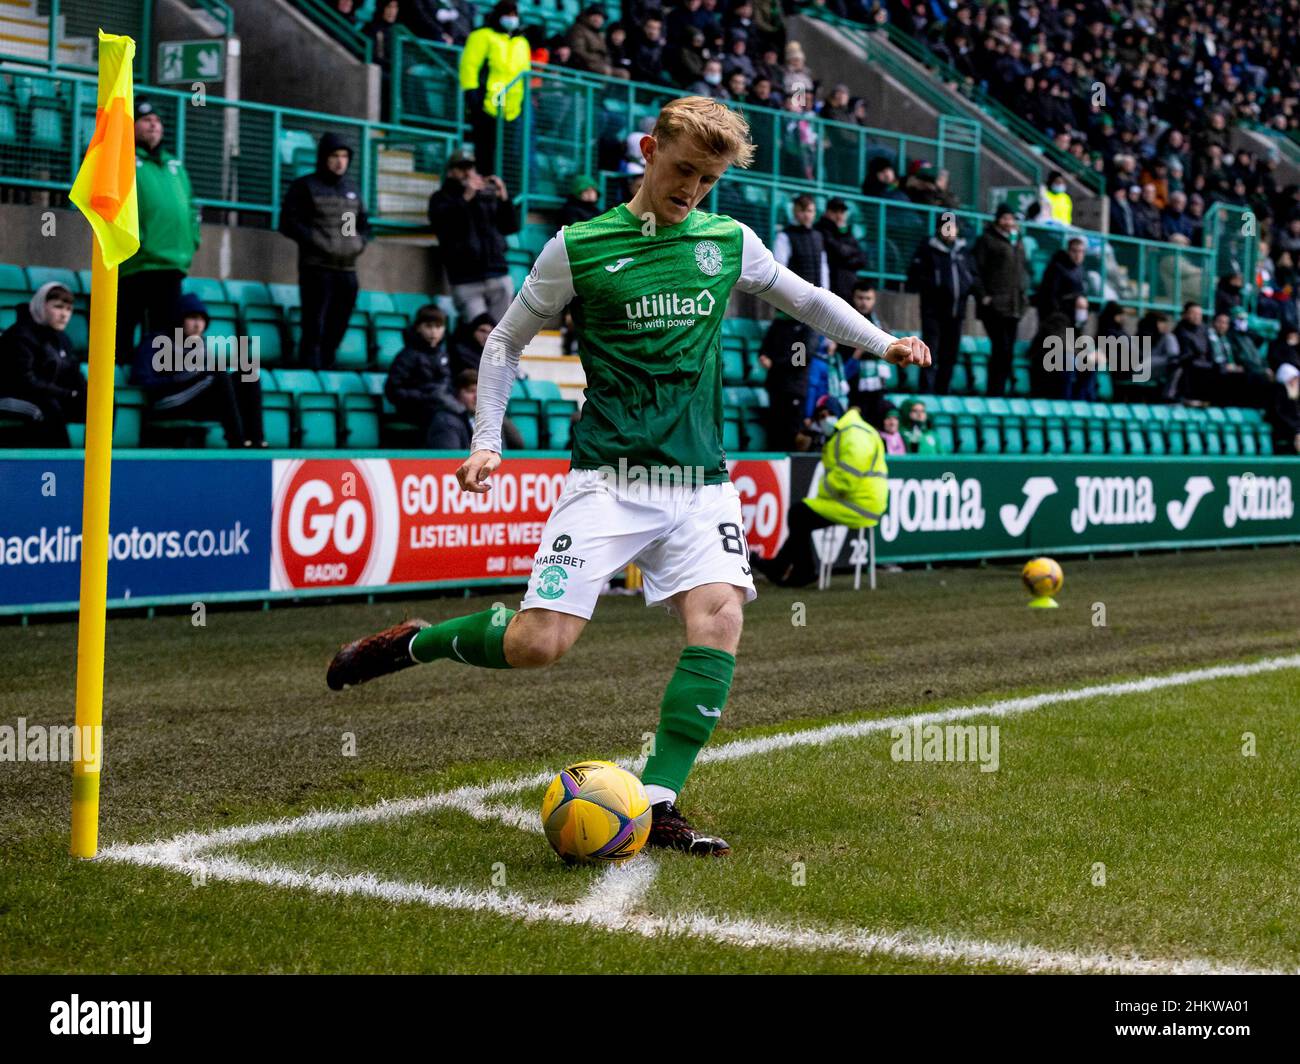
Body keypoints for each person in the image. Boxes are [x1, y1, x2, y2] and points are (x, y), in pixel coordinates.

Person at [326, 96, 930, 856]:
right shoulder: (578, 247)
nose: (691, 192)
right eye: (682, 171)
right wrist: (487, 439)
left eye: (707, 181)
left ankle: (661, 798)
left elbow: (805, 299)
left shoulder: (725, 241)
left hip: (701, 480)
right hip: (606, 480)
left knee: (721, 619)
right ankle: (413, 643)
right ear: (648, 150)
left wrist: (885, 344)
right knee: (539, 643)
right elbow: (505, 343)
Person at [752, 398, 888, 588]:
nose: (825, 419)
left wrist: (827, 490)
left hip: (858, 502)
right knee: (801, 517)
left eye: (829, 414)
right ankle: (784, 567)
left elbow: (848, 475)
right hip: (860, 500)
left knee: (799, 513)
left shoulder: (853, 432)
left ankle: (799, 570)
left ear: (839, 413)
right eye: (821, 417)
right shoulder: (850, 430)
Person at [117, 100, 200, 365]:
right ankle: (119, 392)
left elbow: (190, 207)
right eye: (145, 119)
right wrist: (136, 240)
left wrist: (192, 241)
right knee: (126, 329)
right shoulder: (122, 160)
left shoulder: (175, 165)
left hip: (171, 262)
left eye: (157, 120)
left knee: (164, 334)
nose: (153, 123)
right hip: (137, 264)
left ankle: (155, 386)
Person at [279, 132, 371, 370]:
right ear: (323, 157)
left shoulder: (352, 189)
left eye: (344, 156)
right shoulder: (305, 186)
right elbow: (288, 222)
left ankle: (328, 363)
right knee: (314, 321)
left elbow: (357, 224)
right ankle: (309, 367)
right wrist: (314, 240)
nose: (340, 161)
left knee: (340, 320)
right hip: (316, 267)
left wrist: (356, 244)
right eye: (334, 156)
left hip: (347, 267)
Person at [130, 293, 265, 448]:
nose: (197, 324)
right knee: (218, 374)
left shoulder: (202, 346)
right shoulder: (155, 343)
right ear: (179, 320)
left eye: (201, 320)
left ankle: (256, 440)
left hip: (197, 402)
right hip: (168, 403)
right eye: (192, 318)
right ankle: (237, 441)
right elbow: (140, 380)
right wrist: (177, 379)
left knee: (248, 374)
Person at [761, 192, 828, 450]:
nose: (805, 215)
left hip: (811, 311)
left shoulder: (818, 237)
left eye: (809, 210)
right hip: (793, 306)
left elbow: (823, 272)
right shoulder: (785, 236)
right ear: (794, 212)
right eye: (801, 210)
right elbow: (780, 270)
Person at [427, 154, 520, 324]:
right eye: (461, 168)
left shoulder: (486, 196)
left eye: (470, 168)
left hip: (497, 272)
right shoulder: (440, 198)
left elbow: (510, 227)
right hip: (465, 277)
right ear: (450, 172)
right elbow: (443, 226)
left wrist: (504, 197)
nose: (467, 173)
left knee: (502, 336)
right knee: (477, 333)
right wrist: (466, 197)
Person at [0, 283, 84, 446]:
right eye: (58, 307)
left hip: (45, 394)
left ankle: (97, 457)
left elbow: (73, 371)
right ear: (41, 305)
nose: (64, 315)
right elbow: (25, 381)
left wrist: (82, 393)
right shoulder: (20, 334)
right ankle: (58, 462)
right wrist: (67, 394)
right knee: (47, 409)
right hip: (10, 394)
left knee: (102, 402)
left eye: (68, 309)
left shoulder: (62, 338)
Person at [906, 214, 976, 395]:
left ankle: (943, 391)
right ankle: (926, 391)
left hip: (956, 312)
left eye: (953, 226)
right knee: (930, 352)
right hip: (933, 311)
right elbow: (914, 277)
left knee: (950, 354)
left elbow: (972, 276)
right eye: (946, 226)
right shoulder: (928, 249)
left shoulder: (963, 252)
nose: (950, 230)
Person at [459, 1, 531, 173]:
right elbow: (469, 66)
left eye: (514, 15)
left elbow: (525, 75)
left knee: (508, 158)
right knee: (486, 154)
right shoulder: (482, 36)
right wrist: (472, 95)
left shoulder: (522, 43)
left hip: (512, 110)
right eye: (508, 14)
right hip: (486, 105)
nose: (511, 19)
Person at [971, 204, 1027, 396]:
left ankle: (1001, 391)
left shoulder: (1018, 241)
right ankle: (994, 391)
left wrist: (1023, 295)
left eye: (1011, 218)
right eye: (1005, 218)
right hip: (994, 306)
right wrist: (984, 296)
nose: (1008, 222)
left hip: (1014, 306)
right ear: (997, 220)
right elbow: (975, 270)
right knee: (999, 348)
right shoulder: (986, 240)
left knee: (1008, 351)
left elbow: (1023, 271)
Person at [384, 304, 460, 445]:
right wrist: (426, 396)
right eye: (429, 326)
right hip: (414, 410)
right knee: (446, 418)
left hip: (440, 405)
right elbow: (392, 390)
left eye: (438, 327)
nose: (433, 332)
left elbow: (449, 382)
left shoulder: (443, 355)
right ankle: (448, 460)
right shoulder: (407, 356)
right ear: (419, 327)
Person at [814, 197, 867, 302]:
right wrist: (850, 254)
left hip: (849, 287)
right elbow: (838, 251)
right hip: (830, 286)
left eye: (842, 212)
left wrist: (845, 257)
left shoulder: (847, 232)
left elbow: (862, 259)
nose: (839, 216)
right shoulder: (820, 229)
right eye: (835, 212)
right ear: (827, 212)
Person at [1035, 236, 1087, 318]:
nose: (1078, 255)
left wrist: (1081, 298)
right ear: (1068, 251)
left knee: (1072, 330)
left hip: (1072, 316)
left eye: (1081, 252)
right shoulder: (1057, 267)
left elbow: (1080, 290)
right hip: (1056, 315)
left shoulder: (1079, 269)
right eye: (1074, 251)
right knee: (1065, 331)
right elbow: (1051, 295)